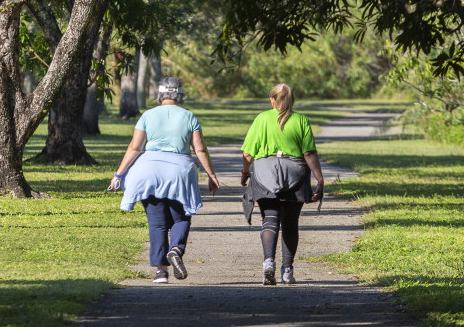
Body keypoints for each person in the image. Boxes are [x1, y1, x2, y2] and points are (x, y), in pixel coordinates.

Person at [109, 77, 221, 283]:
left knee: (157, 224)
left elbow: (135, 147)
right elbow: (199, 149)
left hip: (147, 171)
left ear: (160, 94)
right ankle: (176, 249)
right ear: (179, 94)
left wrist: (118, 175)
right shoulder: (189, 116)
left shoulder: (147, 116)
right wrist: (211, 175)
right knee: (181, 218)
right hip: (180, 171)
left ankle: (161, 272)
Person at [240, 83, 326, 285]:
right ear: (292, 100)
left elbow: (247, 153)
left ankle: (268, 261)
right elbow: (309, 153)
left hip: (264, 174)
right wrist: (319, 180)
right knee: (290, 223)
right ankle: (287, 271)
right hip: (294, 173)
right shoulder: (301, 120)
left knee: (270, 218)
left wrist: (245, 172)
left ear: (272, 100)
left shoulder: (261, 119)